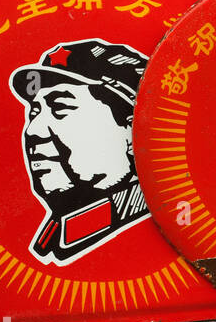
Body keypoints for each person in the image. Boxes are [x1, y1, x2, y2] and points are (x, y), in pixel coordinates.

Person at [10, 40, 150, 265]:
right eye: (34, 112)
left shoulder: (155, 231)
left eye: (60, 107)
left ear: (133, 133)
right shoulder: (53, 240)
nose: (33, 130)